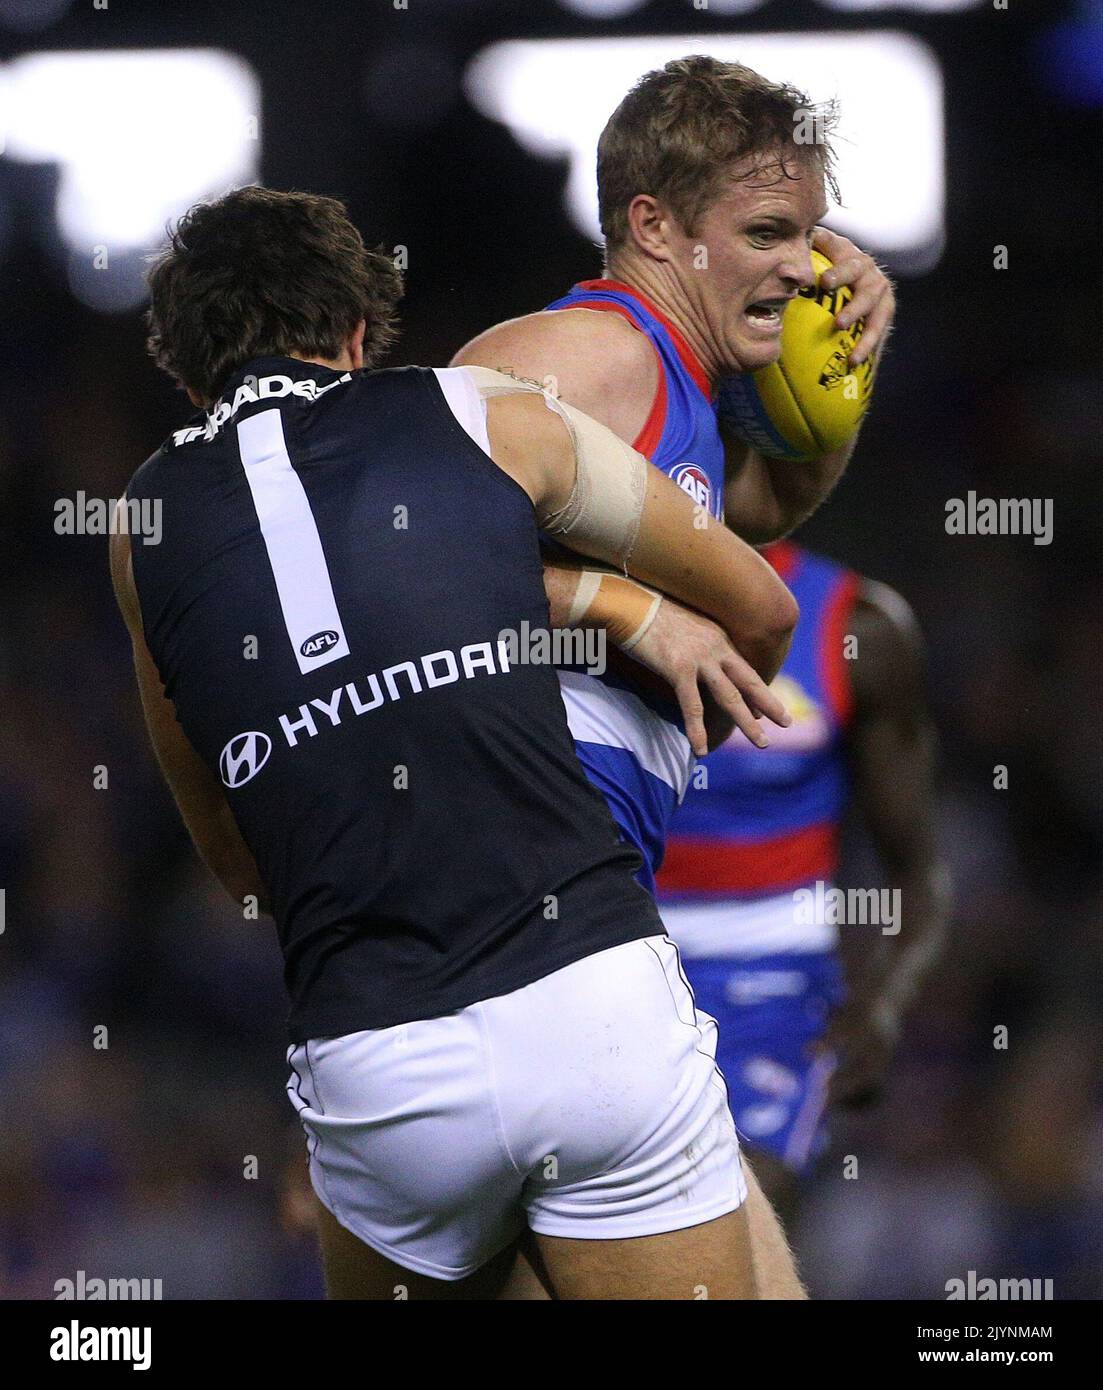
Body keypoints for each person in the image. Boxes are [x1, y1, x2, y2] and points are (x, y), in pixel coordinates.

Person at [112, 185, 800, 1299]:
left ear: (189, 376)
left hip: (378, 1064)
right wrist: (618, 606)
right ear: (351, 330)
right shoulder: (486, 414)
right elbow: (759, 608)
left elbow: (240, 860)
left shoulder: (139, 532)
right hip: (590, 1001)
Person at [451, 52, 896, 1294]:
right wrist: (618, 608)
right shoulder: (588, 353)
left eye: (812, 235)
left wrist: (859, 349)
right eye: (764, 231)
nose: (803, 265)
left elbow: (756, 512)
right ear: (651, 225)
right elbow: (378, 548)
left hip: (555, 931)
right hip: (529, 925)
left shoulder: (671, 388)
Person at [658, 541, 950, 1227]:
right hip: (603, 960)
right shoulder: (582, 609)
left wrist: (882, 1004)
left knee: (738, 1229)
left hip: (771, 991)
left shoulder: (859, 632)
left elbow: (916, 872)